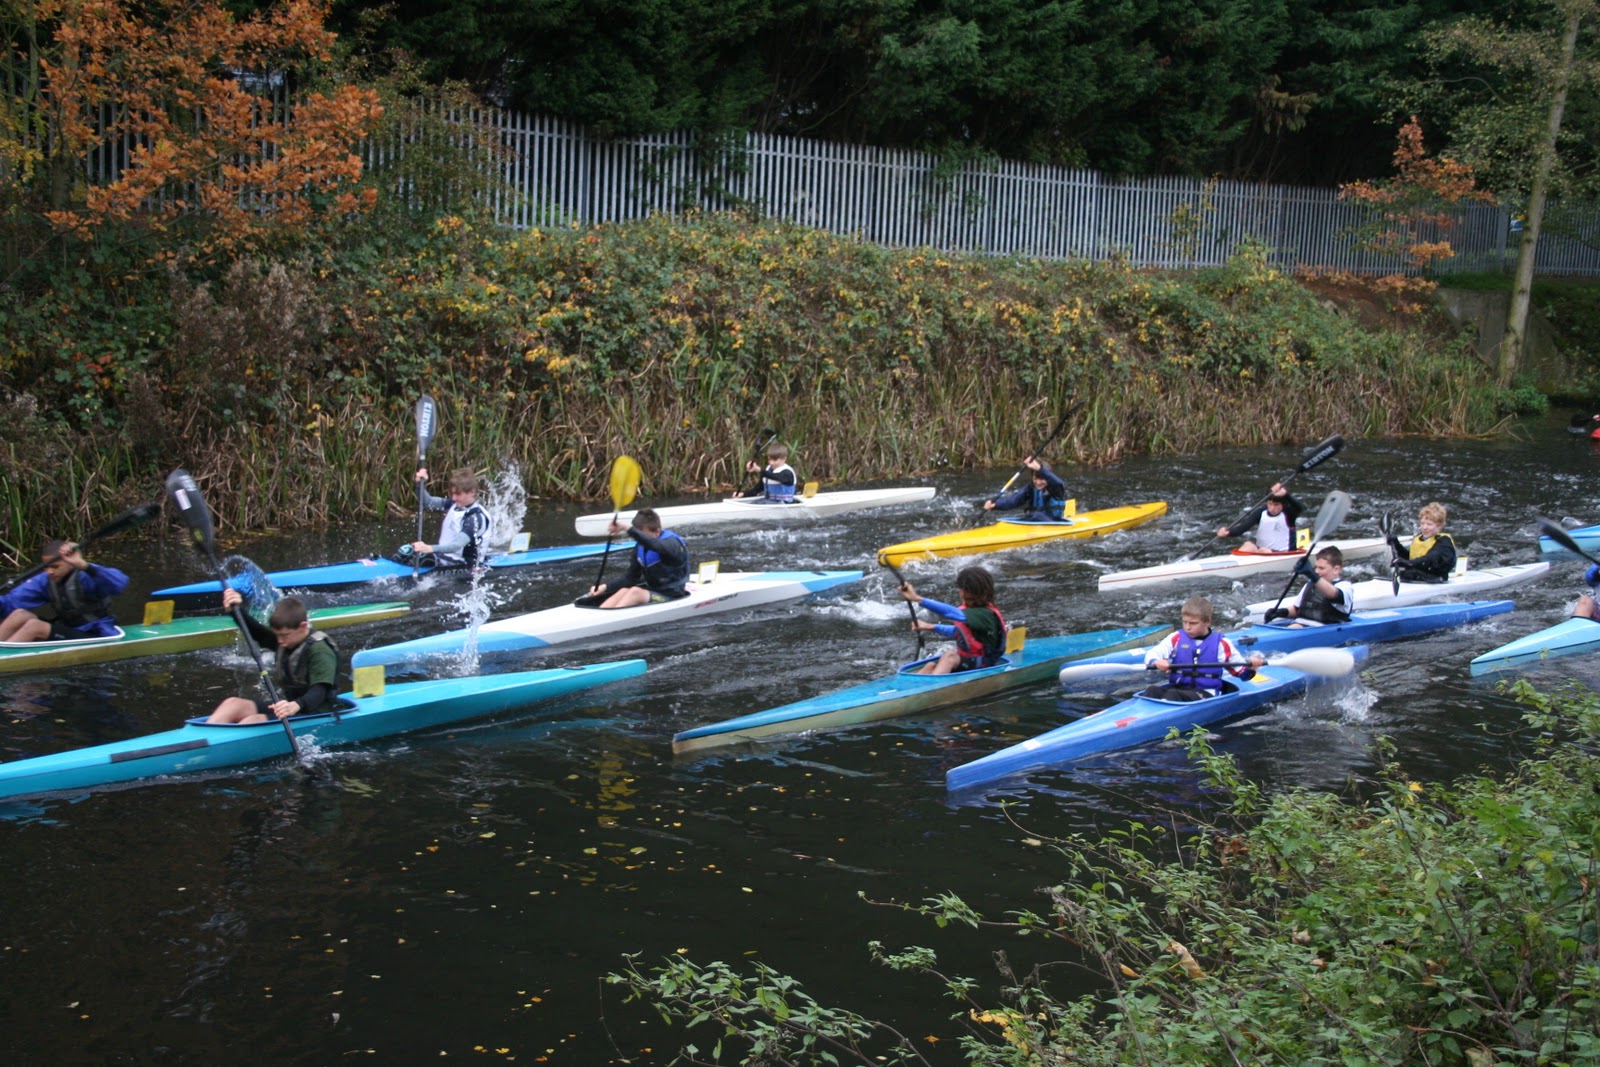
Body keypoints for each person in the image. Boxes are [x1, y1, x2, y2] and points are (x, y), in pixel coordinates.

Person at [207, 588, 340, 724]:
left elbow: (320, 691)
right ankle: (205, 738)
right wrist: (236, 611)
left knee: (254, 720)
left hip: (319, 712)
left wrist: (296, 705)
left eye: (284, 635)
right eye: (277, 635)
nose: (279, 641)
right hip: (292, 708)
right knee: (233, 704)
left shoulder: (320, 650)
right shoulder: (287, 640)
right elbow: (258, 633)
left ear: (303, 627)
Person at [0, 539, 130, 642]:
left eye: (55, 567)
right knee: (20, 614)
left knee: (34, 626)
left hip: (96, 633)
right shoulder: (45, 580)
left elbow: (120, 584)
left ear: (69, 562)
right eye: (46, 567)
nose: (49, 572)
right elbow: (10, 603)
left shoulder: (86, 575)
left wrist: (84, 565)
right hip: (69, 630)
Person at [1142, 595, 1264, 701]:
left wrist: (1252, 667)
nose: (1188, 627)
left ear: (1207, 622)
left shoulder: (1221, 644)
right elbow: (1153, 653)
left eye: (1193, 623)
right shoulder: (1176, 638)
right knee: (1152, 690)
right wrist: (1157, 661)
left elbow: (1242, 674)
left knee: (1173, 695)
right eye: (1185, 622)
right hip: (1179, 689)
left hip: (1206, 693)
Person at [897, 565, 1008, 675]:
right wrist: (931, 627)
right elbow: (960, 632)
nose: (964, 596)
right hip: (969, 662)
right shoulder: (971, 612)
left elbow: (950, 612)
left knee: (950, 656)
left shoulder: (985, 614)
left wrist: (917, 599)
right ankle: (911, 688)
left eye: (969, 597)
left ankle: (935, 686)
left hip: (982, 664)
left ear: (984, 594)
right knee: (930, 665)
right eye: (963, 593)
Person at [586, 508, 690, 608]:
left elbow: (655, 545)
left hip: (673, 594)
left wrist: (626, 528)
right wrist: (605, 587)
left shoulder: (672, 544)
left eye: (642, 535)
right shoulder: (640, 547)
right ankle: (600, 615)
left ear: (657, 532)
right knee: (624, 590)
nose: (640, 539)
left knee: (635, 592)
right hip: (654, 590)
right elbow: (630, 578)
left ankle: (608, 620)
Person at [406, 466, 490, 567]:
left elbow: (456, 546)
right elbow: (427, 502)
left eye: (458, 494)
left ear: (472, 492)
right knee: (405, 552)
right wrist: (419, 484)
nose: (454, 498)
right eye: (452, 493)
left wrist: (429, 548)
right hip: (445, 558)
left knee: (421, 559)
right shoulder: (453, 504)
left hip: (465, 564)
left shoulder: (475, 518)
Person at [1264, 545, 1355, 625]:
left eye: (1321, 568)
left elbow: (1333, 594)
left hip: (1325, 630)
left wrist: (1312, 575)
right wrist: (1280, 612)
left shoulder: (1345, 587)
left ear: (1336, 569)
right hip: (1301, 625)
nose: (1316, 571)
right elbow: (1297, 610)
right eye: (1315, 567)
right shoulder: (1311, 584)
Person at [1217, 483, 1303, 552]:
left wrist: (1286, 495)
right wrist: (1228, 532)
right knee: (1248, 545)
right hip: (1263, 552)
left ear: (1283, 504)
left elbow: (1300, 507)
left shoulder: (1289, 513)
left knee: (1264, 551)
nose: (1272, 508)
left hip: (1284, 553)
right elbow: (1242, 528)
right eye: (1270, 504)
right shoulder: (1260, 513)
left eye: (1276, 505)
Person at [1387, 501, 1457, 584]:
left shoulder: (1444, 542)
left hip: (1436, 577)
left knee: (1408, 573)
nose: (1424, 527)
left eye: (1429, 524)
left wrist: (1409, 563)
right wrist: (1396, 544)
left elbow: (1430, 559)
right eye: (1422, 523)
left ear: (1439, 525)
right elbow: (1410, 557)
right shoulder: (1420, 538)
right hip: (1417, 574)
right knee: (1406, 573)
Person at [984, 457, 1069, 521]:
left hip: (1052, 522)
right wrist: (996, 505)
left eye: (1042, 479)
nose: (1038, 482)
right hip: (1034, 520)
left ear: (1047, 477)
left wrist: (1039, 469)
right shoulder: (1031, 488)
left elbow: (1058, 482)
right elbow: (1014, 500)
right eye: (1035, 479)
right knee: (1033, 515)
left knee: (1036, 515)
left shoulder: (1056, 488)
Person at [734, 442, 800, 503]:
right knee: (756, 502)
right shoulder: (767, 470)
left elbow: (776, 476)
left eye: (775, 460)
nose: (771, 462)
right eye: (769, 459)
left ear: (784, 459)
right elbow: (758, 488)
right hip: (768, 502)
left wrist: (759, 469)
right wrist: (743, 494)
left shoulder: (787, 473)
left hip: (784, 503)